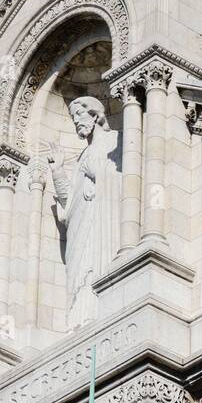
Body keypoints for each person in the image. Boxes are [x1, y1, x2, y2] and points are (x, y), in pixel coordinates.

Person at [48, 96, 120, 327]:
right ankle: (78, 320)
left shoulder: (115, 140)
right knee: (78, 270)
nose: (75, 122)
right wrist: (58, 172)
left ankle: (96, 312)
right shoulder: (82, 156)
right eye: (72, 118)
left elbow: (124, 181)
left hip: (102, 220)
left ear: (95, 114)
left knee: (92, 267)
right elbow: (70, 202)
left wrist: (97, 172)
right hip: (79, 223)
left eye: (79, 115)